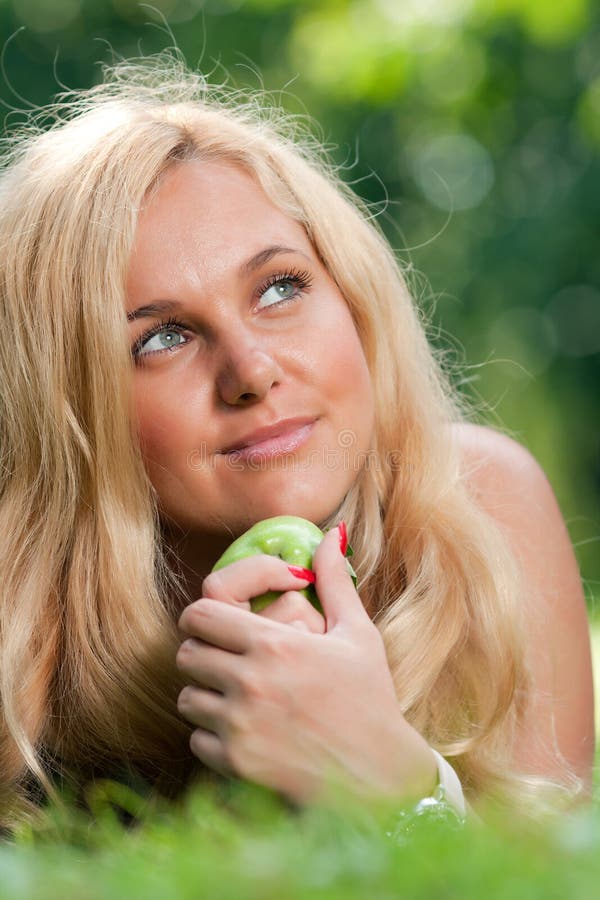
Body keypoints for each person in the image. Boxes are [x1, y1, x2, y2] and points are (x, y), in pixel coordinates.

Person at [0, 52, 594, 833]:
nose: (251, 371)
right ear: (68, 410)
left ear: (352, 293)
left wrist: (391, 780)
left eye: (280, 288)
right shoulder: (22, 639)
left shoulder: (479, 509)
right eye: (162, 338)